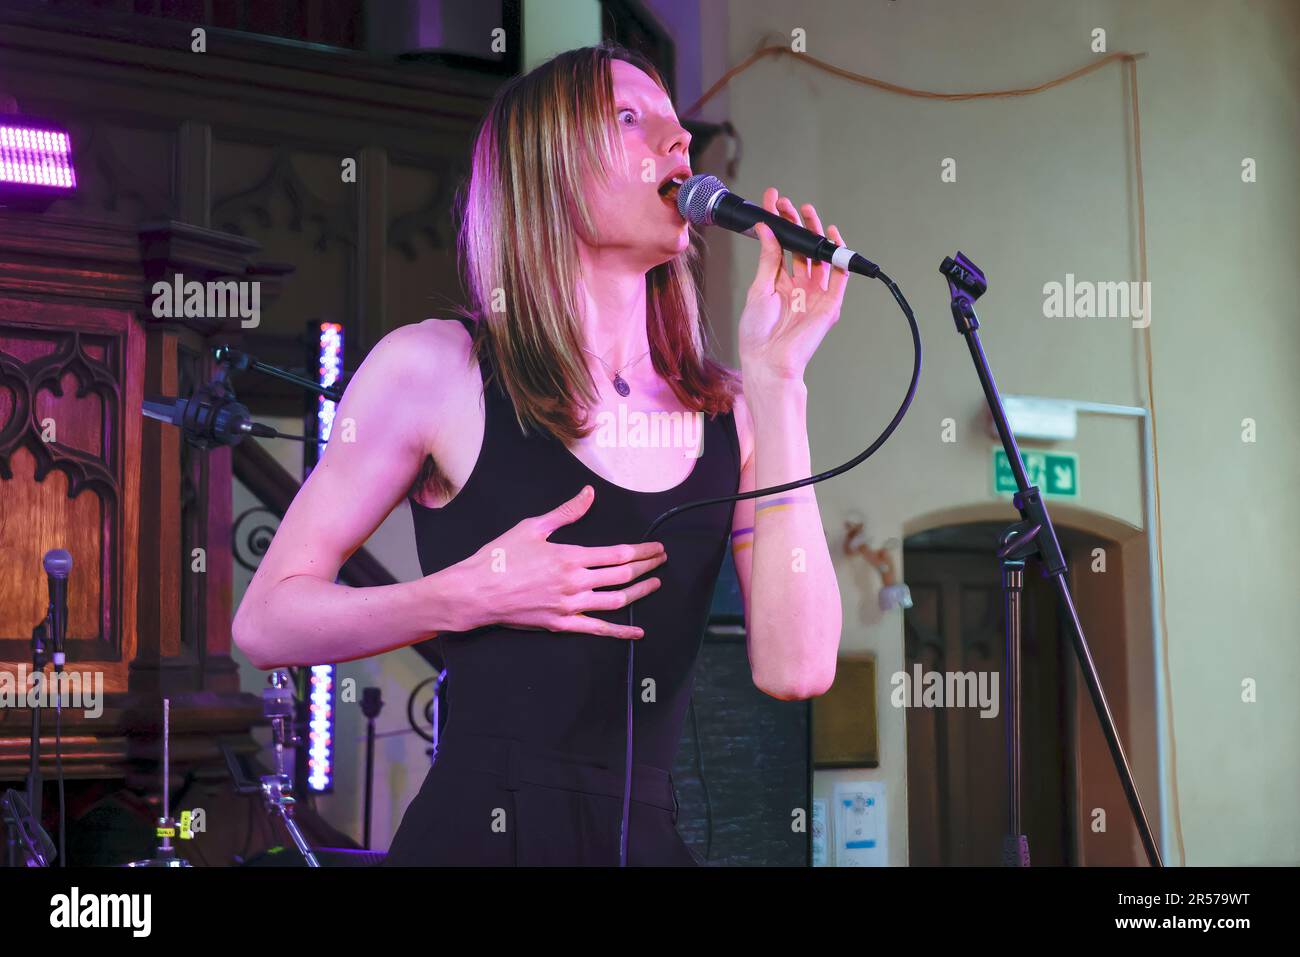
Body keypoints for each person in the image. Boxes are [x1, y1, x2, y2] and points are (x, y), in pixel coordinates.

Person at [232, 42, 847, 866]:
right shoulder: (435, 368)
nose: (677, 142)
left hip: (645, 838)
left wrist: (780, 385)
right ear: (545, 169)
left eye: (676, 124)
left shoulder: (730, 409)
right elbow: (266, 619)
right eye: (631, 118)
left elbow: (798, 666)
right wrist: (463, 594)